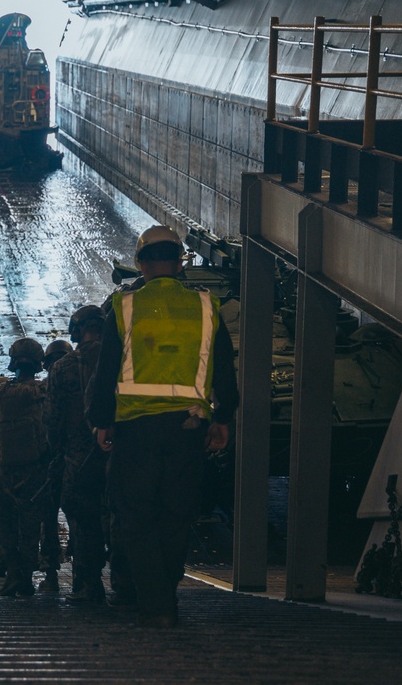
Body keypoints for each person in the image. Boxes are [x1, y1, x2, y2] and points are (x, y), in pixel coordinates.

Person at [88, 225, 239, 628]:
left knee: (136, 517)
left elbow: (106, 375)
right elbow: (225, 370)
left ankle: (156, 603)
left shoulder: (124, 307)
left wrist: (101, 422)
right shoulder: (208, 308)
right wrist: (223, 419)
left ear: (140, 263)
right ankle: (163, 593)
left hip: (135, 432)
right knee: (176, 516)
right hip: (189, 430)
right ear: (179, 262)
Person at [47, 307, 111, 605]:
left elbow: (53, 420)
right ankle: (128, 585)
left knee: (83, 522)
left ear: (76, 330)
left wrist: (56, 454)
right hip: (121, 454)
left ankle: (89, 582)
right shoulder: (124, 361)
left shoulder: (64, 367)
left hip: (78, 456)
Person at [0, 338, 50, 596]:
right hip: (36, 471)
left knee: (0, 521)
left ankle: (14, 572)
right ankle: (25, 574)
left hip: (2, 471)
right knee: (30, 525)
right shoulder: (45, 392)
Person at [36, 337, 74, 595]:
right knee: (82, 520)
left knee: (47, 521)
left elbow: (47, 424)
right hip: (78, 459)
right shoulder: (84, 384)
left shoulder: (44, 388)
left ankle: (50, 575)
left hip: (49, 461)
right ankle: (85, 578)